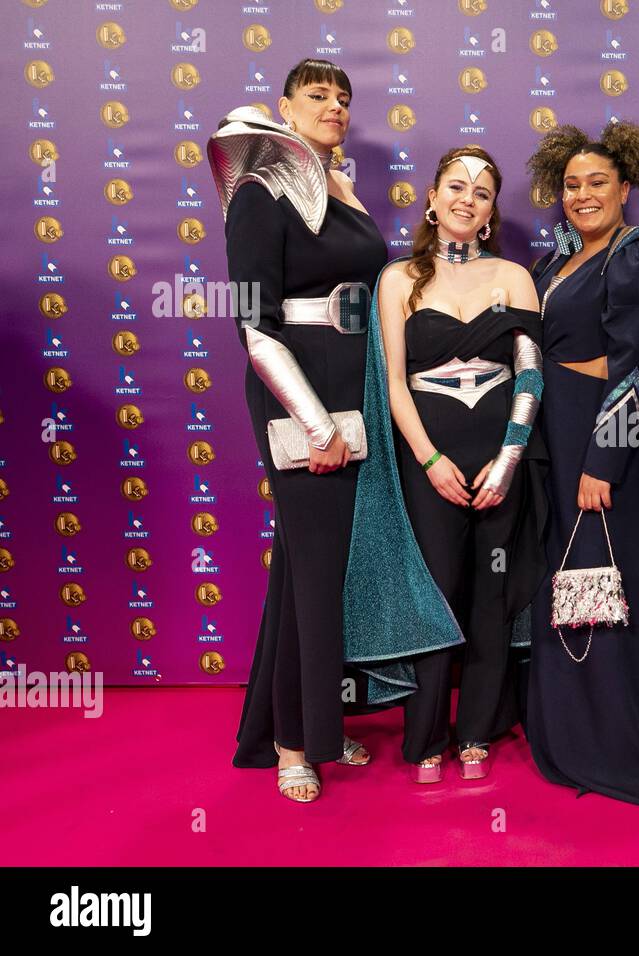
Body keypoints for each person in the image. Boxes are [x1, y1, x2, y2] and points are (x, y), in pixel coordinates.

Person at [211, 59, 386, 803]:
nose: (334, 107)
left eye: (343, 98)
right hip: (301, 390)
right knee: (315, 576)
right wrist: (313, 425)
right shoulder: (259, 193)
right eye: (317, 95)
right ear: (283, 109)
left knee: (305, 578)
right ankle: (293, 749)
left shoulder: (340, 189)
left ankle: (307, 724)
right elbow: (254, 325)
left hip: (360, 381)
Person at [366, 146, 547, 782]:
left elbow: (530, 375)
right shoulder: (397, 279)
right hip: (430, 462)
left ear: (493, 211)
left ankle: (477, 730)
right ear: (432, 199)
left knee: (491, 596)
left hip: (502, 456)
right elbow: (392, 383)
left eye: (482, 192)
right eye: (456, 186)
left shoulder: (514, 277)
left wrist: (509, 459)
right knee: (435, 595)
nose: (467, 198)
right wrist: (429, 459)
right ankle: (425, 739)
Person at [523, 123, 639, 810]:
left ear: (625, 188)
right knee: (569, 587)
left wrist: (604, 462)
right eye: (572, 185)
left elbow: (636, 368)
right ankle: (568, 731)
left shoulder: (633, 252)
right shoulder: (555, 260)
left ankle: (613, 745)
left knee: (606, 591)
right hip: (555, 443)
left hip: (601, 453)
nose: (583, 194)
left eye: (598, 183)